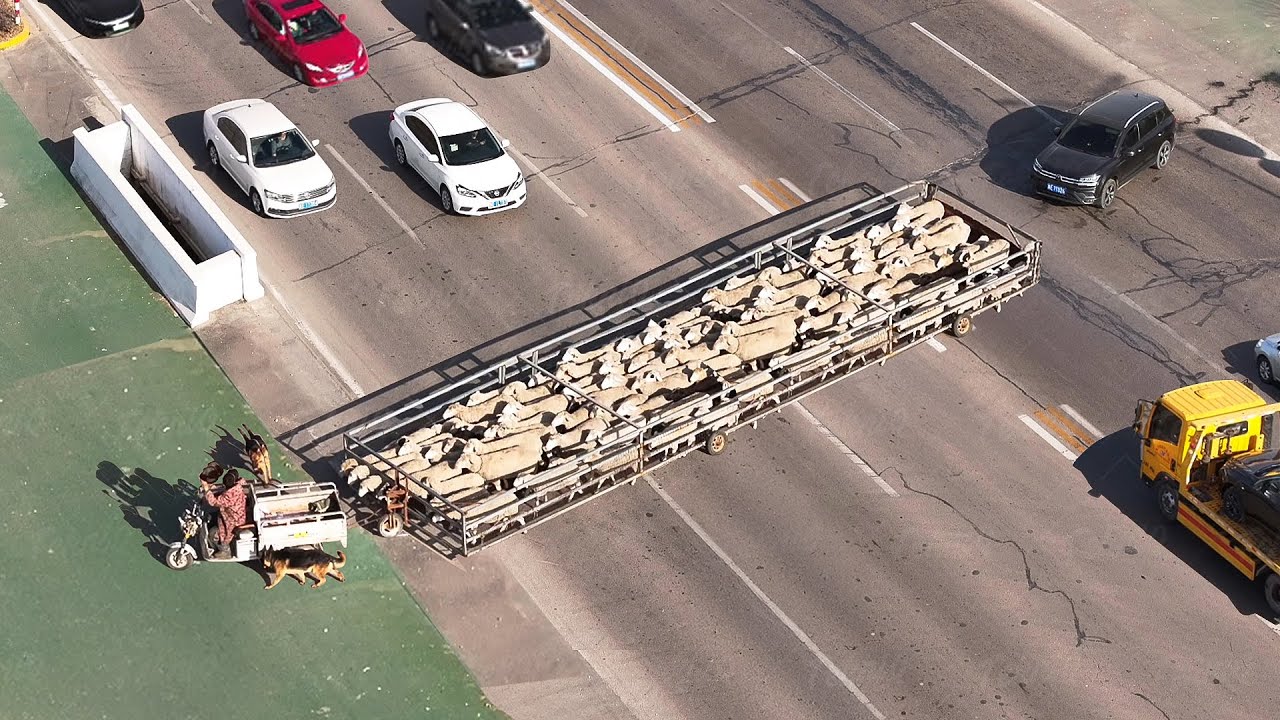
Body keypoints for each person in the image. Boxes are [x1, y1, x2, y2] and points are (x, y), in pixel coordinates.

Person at [202, 469, 249, 559]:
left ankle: (225, 549)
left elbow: (214, 502)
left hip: (232, 521)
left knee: (213, 534)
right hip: (237, 515)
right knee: (213, 517)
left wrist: (206, 488)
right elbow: (226, 491)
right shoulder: (239, 485)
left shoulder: (229, 495)